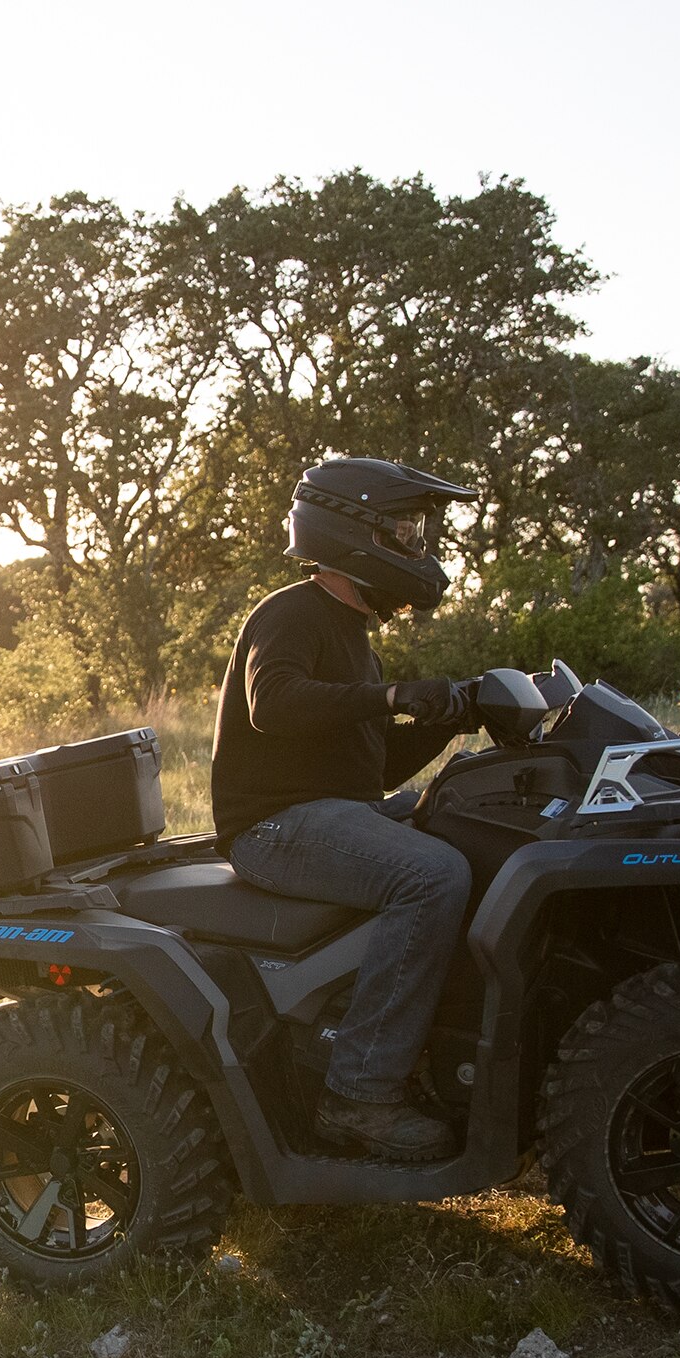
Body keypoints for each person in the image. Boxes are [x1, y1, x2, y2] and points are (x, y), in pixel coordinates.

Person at [210, 457, 482, 1163]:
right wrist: (388, 699)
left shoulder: (356, 637)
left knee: (472, 830)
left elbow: (370, 769)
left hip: (334, 811)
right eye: (404, 529)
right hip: (275, 826)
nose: (416, 544)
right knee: (433, 876)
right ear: (348, 530)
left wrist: (448, 717)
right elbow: (272, 704)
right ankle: (358, 1094)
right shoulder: (291, 611)